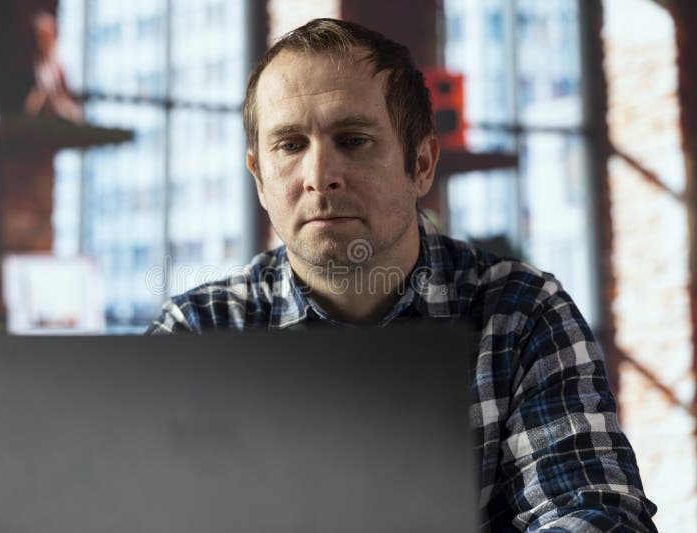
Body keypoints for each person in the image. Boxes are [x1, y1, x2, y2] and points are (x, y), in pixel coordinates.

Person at [147, 18, 657, 532]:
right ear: (258, 178)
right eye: (290, 145)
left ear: (422, 164)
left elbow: (596, 512)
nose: (320, 175)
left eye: (353, 139)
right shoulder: (198, 331)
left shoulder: (520, 313)